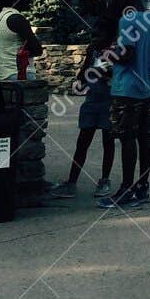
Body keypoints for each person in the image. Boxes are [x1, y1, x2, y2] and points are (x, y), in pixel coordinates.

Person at [99, 0, 150, 208]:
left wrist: (108, 53)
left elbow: (126, 55)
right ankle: (142, 187)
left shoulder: (127, 20)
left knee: (127, 137)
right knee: (144, 136)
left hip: (125, 88)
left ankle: (126, 189)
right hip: (146, 87)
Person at [51, 19, 117, 199]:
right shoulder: (92, 50)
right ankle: (72, 181)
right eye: (94, 35)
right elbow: (84, 71)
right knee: (82, 142)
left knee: (108, 141)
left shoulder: (115, 52)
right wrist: (82, 79)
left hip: (108, 101)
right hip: (91, 100)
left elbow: (116, 73)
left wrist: (104, 72)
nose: (95, 38)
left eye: (99, 35)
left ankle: (104, 179)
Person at [0, 0, 43, 82]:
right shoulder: (18, 19)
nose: (30, 0)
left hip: (1, 74)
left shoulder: (1, 16)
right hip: (19, 75)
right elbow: (37, 50)